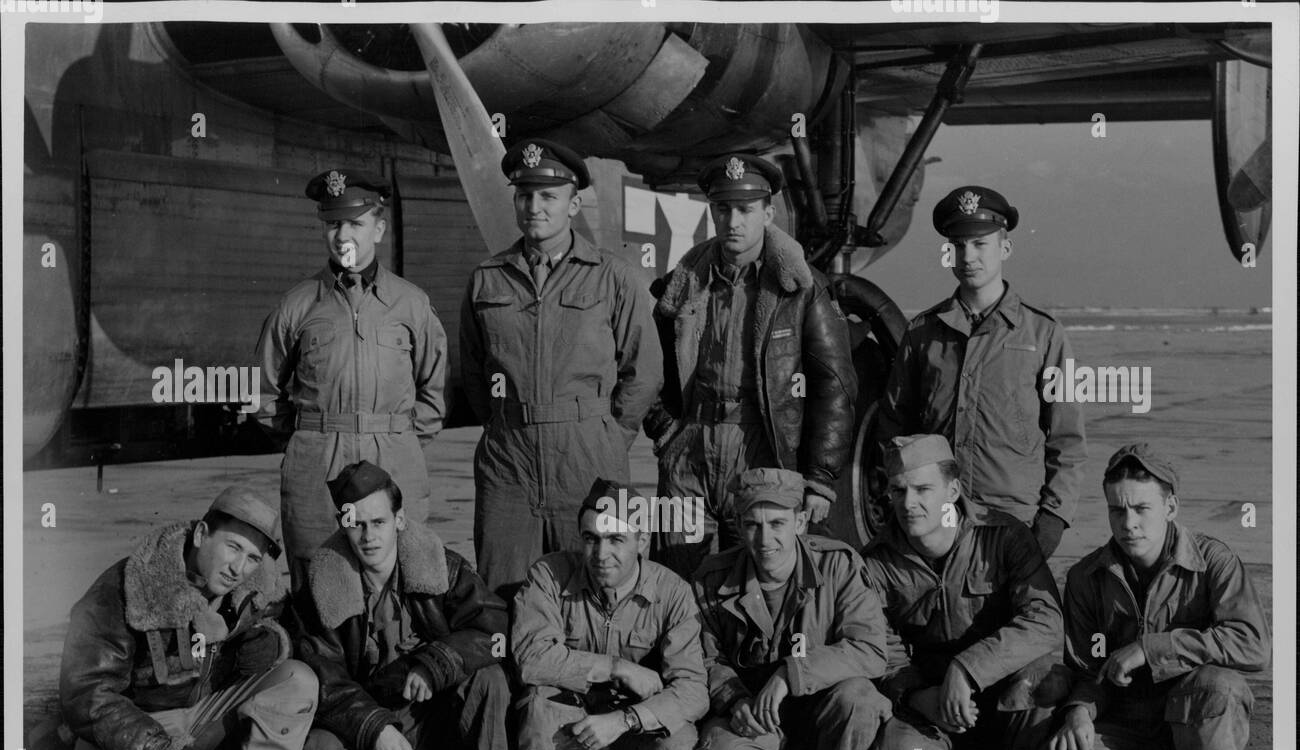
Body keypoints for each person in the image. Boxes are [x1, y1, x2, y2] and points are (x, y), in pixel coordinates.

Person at [1023, 445, 1270, 750]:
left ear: (1170, 507)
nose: (1128, 522)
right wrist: (1079, 710)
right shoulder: (1085, 577)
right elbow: (1084, 669)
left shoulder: (1213, 563)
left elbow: (1253, 645)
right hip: (1124, 728)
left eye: (1141, 508)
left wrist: (1152, 648)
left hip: (1190, 727)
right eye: (1117, 509)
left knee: (1223, 688)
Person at [59, 488, 318, 750]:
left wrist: (268, 643)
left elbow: (270, 640)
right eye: (232, 547)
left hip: (202, 714)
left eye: (251, 558)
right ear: (200, 535)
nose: (238, 568)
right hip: (136, 726)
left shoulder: (248, 590)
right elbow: (86, 695)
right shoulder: (126, 586)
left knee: (296, 680)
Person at [459, 139, 662, 598]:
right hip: (509, 462)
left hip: (588, 456)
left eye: (549, 196)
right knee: (504, 589)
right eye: (524, 195)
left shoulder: (613, 276)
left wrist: (609, 436)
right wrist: (505, 422)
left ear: (574, 203)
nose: (535, 207)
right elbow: (474, 372)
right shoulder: (487, 279)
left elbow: (644, 371)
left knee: (595, 584)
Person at [645, 152, 857, 578]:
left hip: (761, 451)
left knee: (760, 581)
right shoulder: (683, 284)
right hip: (688, 456)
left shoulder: (800, 289)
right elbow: (650, 364)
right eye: (723, 209)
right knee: (674, 579)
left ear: (768, 212)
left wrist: (819, 477)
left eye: (745, 209)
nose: (733, 221)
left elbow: (834, 384)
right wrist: (665, 431)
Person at [291, 462, 514, 750]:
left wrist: (437, 663)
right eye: (356, 523)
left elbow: (494, 631)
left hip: (428, 716)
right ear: (342, 525)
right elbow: (324, 679)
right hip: (361, 723)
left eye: (378, 521)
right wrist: (374, 728)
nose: (368, 535)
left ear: (400, 520)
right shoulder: (321, 585)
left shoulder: (442, 566)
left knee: (489, 677)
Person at [861, 435, 1066, 750]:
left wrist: (968, 668)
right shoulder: (875, 562)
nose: (908, 503)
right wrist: (918, 696)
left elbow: (1046, 621)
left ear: (952, 491)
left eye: (923, 489)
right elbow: (877, 646)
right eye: (898, 490)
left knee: (1044, 679)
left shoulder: (1004, 536)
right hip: (933, 700)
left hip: (1000, 692)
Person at [256, 168, 447, 588]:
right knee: (318, 581)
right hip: (317, 461)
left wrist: (400, 440)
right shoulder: (297, 305)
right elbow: (262, 391)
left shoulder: (412, 304)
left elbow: (433, 393)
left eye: (356, 224)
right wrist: (306, 440)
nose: (343, 234)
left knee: (404, 578)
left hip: (395, 455)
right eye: (333, 223)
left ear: (378, 229)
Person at [875, 185, 1085, 559]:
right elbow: (894, 426)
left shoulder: (1044, 336)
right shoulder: (922, 333)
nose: (967, 256)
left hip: (1013, 521)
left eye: (979, 244)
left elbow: (1067, 441)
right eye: (957, 245)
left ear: (1004, 248)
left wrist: (1052, 520)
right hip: (936, 521)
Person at [692, 468, 891, 750]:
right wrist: (733, 699)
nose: (765, 539)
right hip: (752, 714)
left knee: (861, 700)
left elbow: (871, 650)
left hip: (820, 711)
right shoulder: (711, 580)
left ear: (800, 521)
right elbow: (702, 658)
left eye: (778, 523)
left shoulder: (839, 566)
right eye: (752, 524)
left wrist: (792, 672)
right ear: (737, 524)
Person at [506, 478, 709, 750]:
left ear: (642, 541)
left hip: (635, 727)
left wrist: (625, 720)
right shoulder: (548, 576)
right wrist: (617, 667)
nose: (601, 554)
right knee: (540, 702)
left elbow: (694, 692)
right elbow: (531, 659)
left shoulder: (674, 592)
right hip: (580, 725)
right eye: (590, 538)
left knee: (679, 741)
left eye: (616, 539)